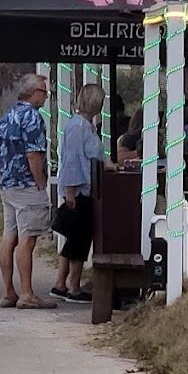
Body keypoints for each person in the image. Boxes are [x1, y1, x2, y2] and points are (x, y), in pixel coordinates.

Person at [0, 73, 56, 309]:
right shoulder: (32, 118)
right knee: (27, 239)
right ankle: (27, 293)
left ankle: (8, 291)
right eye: (43, 91)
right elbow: (34, 154)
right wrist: (40, 182)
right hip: (26, 185)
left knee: (8, 236)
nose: (46, 95)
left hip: (8, 183)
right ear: (33, 92)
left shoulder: (7, 116)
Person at [52, 83, 116, 303]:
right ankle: (74, 287)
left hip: (84, 188)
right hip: (79, 191)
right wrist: (70, 191)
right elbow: (72, 160)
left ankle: (61, 283)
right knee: (80, 239)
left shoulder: (85, 126)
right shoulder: (78, 127)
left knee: (73, 238)